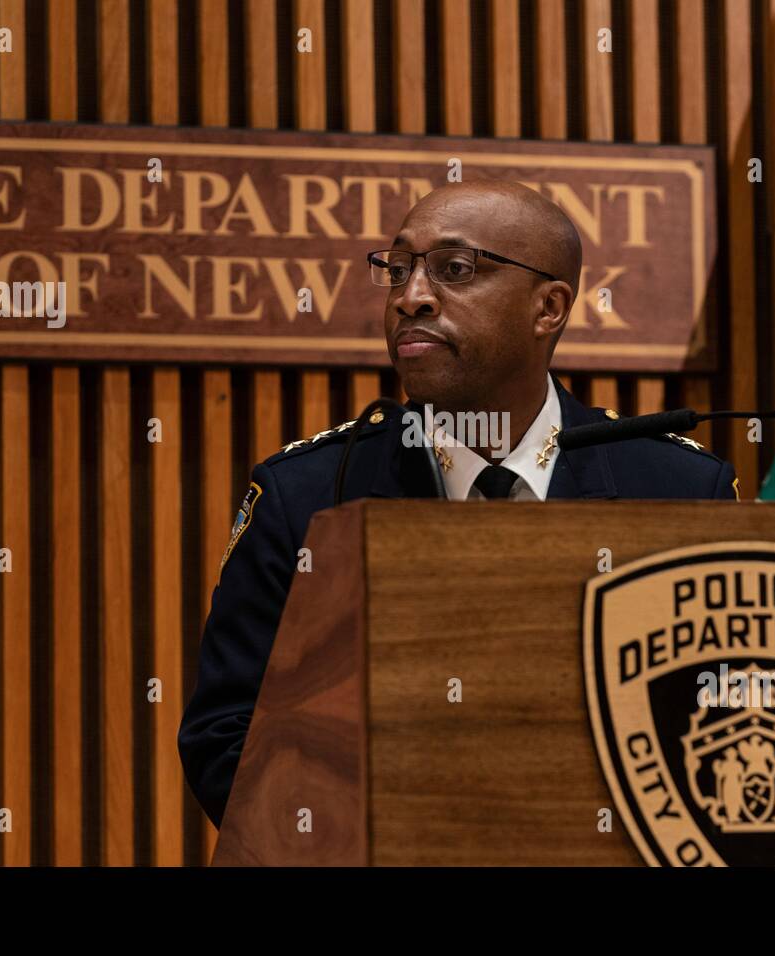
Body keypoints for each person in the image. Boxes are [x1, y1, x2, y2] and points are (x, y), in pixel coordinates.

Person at [179, 180, 739, 827]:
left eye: (454, 270)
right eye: (398, 270)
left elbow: (729, 713)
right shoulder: (304, 495)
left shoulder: (675, 489)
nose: (410, 298)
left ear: (548, 307)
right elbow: (224, 737)